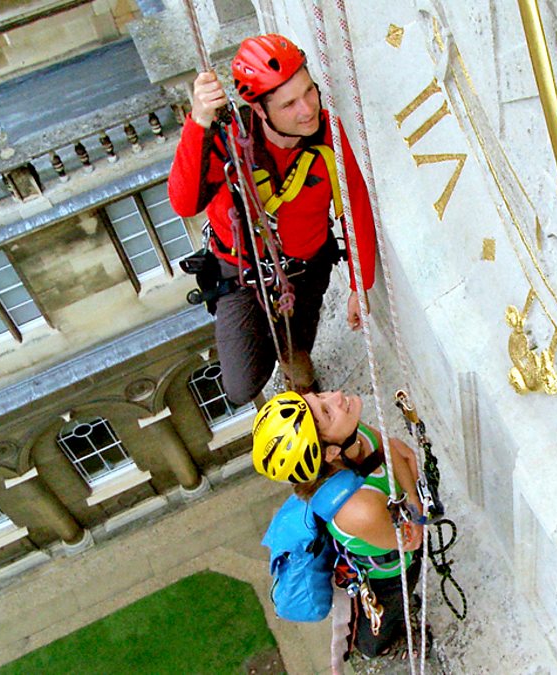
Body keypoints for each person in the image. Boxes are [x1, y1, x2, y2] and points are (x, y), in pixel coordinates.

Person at [168, 34, 377, 404]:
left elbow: (355, 206)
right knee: (241, 387)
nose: (307, 109)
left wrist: (360, 284)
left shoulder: (328, 136)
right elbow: (184, 202)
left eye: (309, 92)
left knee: (298, 346)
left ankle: (299, 374)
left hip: (306, 269)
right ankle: (276, 348)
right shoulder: (229, 142)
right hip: (241, 273)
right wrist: (199, 121)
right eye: (289, 104)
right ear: (260, 111)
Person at [252, 389, 425, 658]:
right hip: (388, 574)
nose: (335, 396)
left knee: (393, 604)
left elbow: (392, 450)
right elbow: (411, 541)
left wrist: (412, 497)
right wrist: (417, 505)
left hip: (387, 538)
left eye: (320, 396)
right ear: (331, 452)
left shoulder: (349, 437)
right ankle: (374, 647)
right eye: (327, 411)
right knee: (385, 613)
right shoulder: (358, 510)